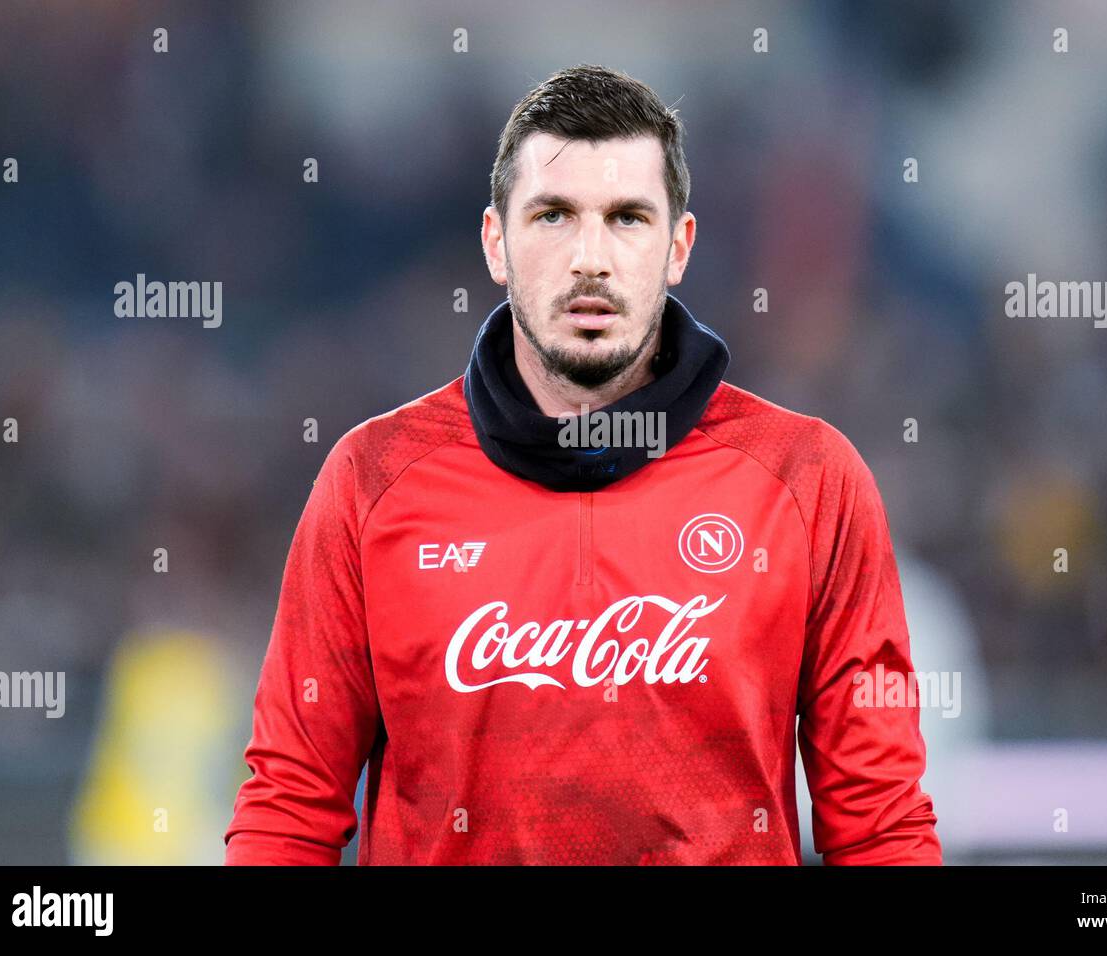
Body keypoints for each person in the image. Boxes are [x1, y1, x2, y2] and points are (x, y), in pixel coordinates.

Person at [224, 63, 940, 865]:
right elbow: (290, 806)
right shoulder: (370, 478)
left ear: (679, 248)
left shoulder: (809, 479)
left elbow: (880, 826)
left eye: (627, 218)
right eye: (554, 215)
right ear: (497, 242)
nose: (589, 258)